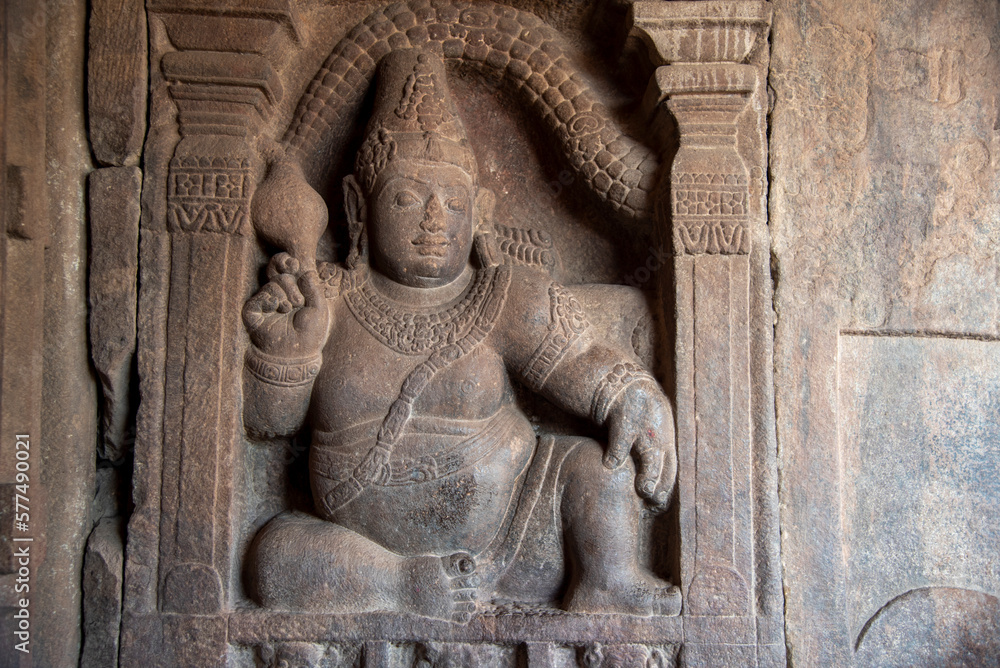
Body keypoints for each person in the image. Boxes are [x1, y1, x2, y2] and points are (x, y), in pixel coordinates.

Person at [243, 49, 679, 623]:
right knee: (275, 555)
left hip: (513, 542)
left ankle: (608, 580)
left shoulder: (504, 296)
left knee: (596, 468)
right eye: (405, 197)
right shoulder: (327, 298)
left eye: (452, 202)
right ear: (357, 207)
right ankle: (404, 588)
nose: (433, 219)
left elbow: (584, 363)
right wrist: (289, 351)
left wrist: (632, 395)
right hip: (360, 555)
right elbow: (267, 425)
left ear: (479, 212)